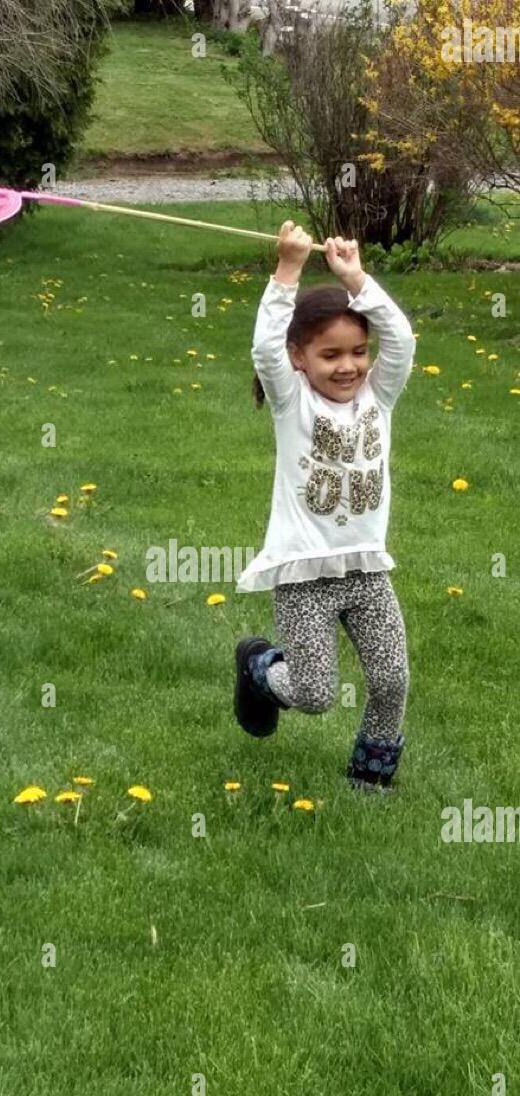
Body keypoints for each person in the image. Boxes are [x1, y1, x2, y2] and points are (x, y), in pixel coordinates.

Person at [234, 222, 416, 792]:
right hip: (305, 575)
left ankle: (368, 785)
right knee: (312, 695)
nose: (348, 366)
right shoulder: (292, 404)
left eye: (359, 352)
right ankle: (261, 667)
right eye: (330, 354)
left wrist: (356, 278)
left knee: (391, 681)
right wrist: (287, 270)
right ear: (300, 358)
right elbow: (265, 347)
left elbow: (403, 339)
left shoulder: (378, 396)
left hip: (366, 570)